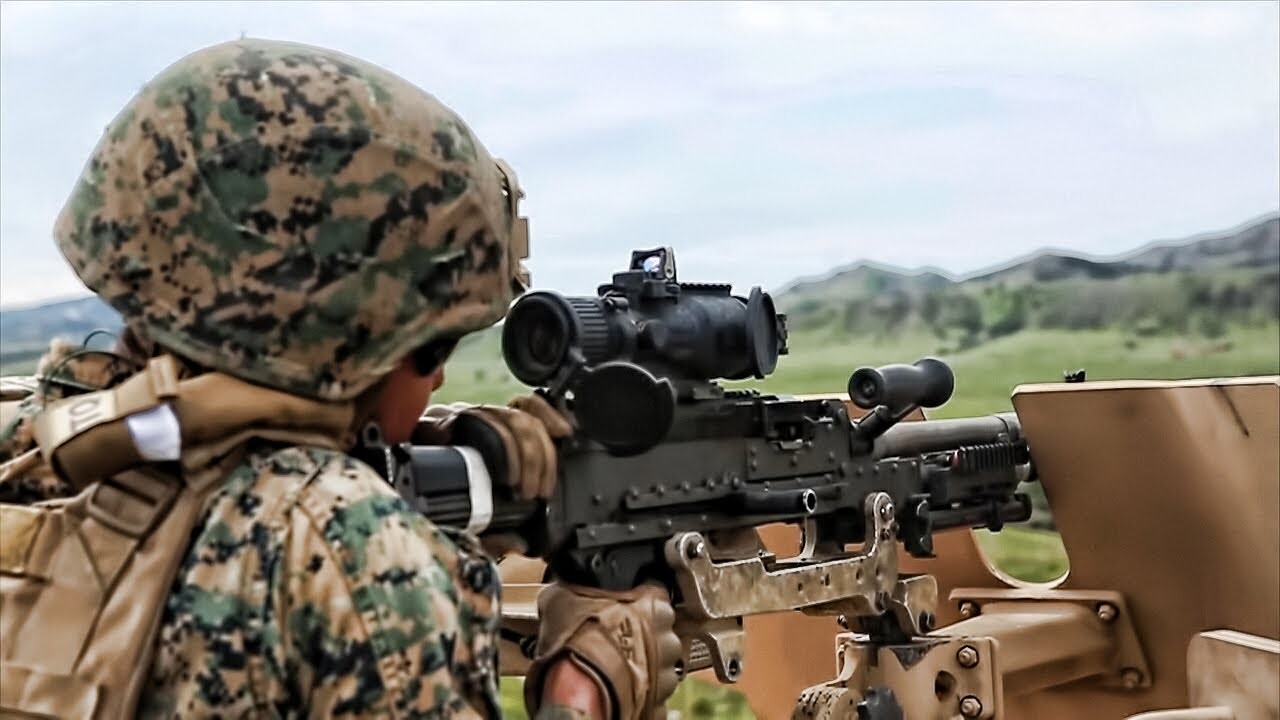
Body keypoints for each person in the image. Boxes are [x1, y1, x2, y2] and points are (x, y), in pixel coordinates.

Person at [0, 39, 680, 719]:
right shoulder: (351, 552)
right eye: (432, 347)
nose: (439, 378)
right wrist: (588, 687)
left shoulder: (44, 446)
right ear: (350, 340)